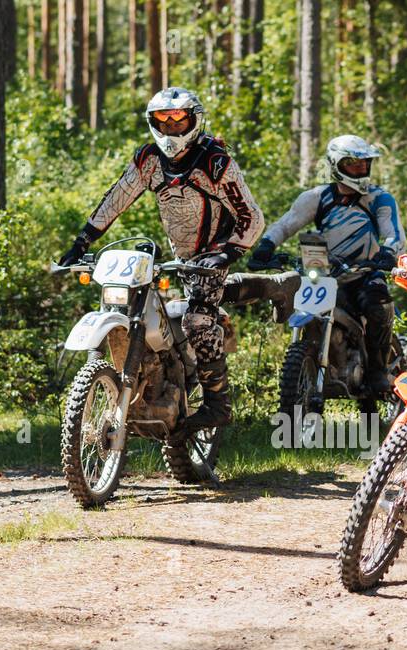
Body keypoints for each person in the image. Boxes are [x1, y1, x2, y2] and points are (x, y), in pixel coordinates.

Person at [57, 87, 265, 433]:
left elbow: (252, 218)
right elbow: (118, 197)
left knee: (198, 321)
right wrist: (83, 240)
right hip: (179, 253)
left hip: (212, 254)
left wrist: (227, 253)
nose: (170, 128)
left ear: (194, 121)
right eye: (162, 121)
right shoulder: (149, 160)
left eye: (177, 120)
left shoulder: (215, 162)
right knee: (145, 308)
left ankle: (217, 403)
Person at [249, 134, 405, 393]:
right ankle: (314, 367)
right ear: (335, 165)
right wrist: (266, 246)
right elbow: (287, 223)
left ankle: (377, 370)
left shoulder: (379, 197)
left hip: (366, 271)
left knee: (377, 306)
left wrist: (388, 252)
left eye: (364, 164)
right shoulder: (317, 197)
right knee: (305, 307)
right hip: (326, 272)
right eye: (352, 164)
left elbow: (393, 232)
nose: (360, 169)